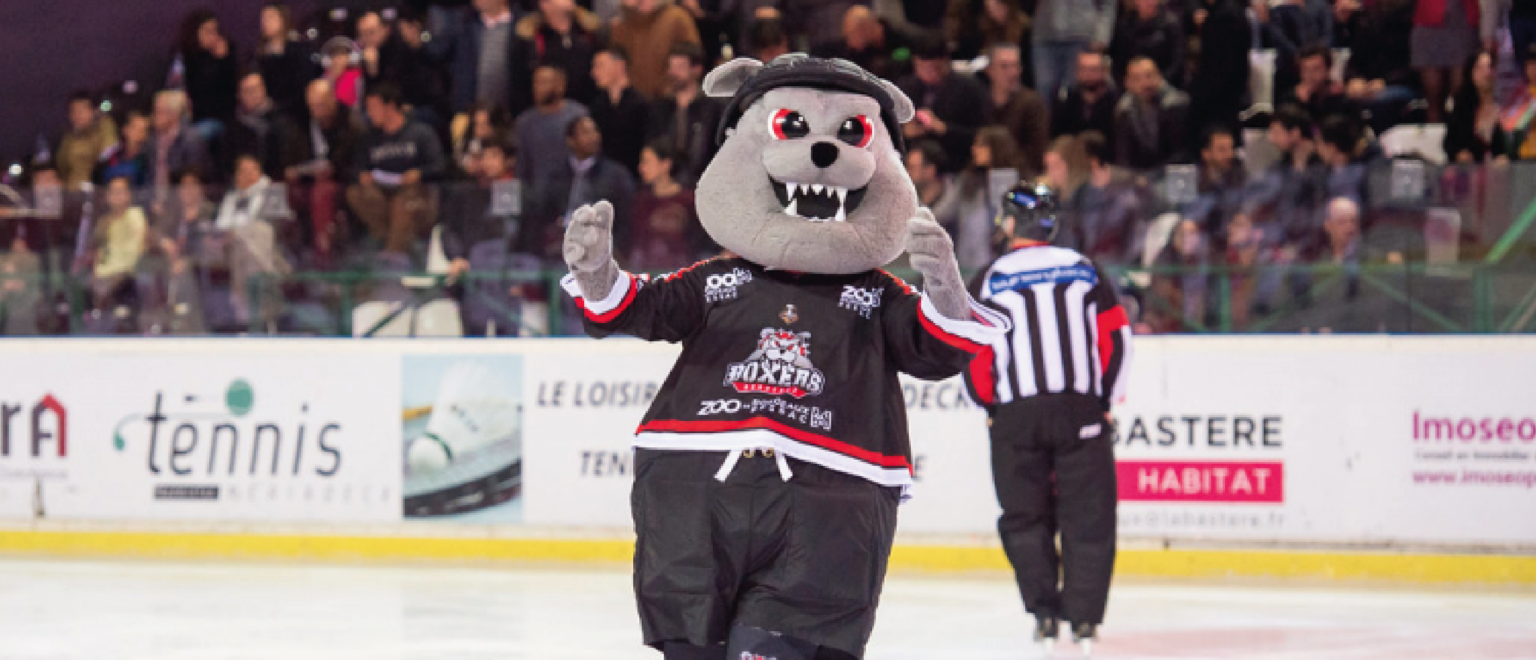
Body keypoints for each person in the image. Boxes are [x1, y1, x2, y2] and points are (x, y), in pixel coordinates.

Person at [963, 183, 1130, 656]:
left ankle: (1043, 613)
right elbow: (1116, 337)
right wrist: (1102, 401)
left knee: (1023, 516)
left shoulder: (991, 275)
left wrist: (991, 407)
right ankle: (1083, 620)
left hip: (1016, 414)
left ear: (1011, 224)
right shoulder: (1083, 269)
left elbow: (974, 352)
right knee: (1089, 517)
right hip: (1080, 410)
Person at [348, 83, 447, 257]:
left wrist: (419, 174)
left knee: (403, 203)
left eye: (374, 107)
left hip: (415, 195)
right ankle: (386, 234)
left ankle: (392, 255)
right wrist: (363, 175)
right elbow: (357, 167)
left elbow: (439, 165)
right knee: (355, 193)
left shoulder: (420, 133)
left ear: (390, 106)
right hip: (382, 193)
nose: (370, 113)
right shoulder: (370, 139)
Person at [525, 116, 635, 259]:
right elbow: (540, 215)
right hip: (560, 246)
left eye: (595, 131)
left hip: (599, 247)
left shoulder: (616, 176)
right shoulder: (555, 176)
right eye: (585, 132)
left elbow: (625, 219)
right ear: (570, 140)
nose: (593, 137)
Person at [284, 79, 367, 264]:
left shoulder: (351, 123)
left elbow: (357, 162)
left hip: (346, 183)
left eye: (320, 105)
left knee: (323, 192)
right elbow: (293, 157)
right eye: (312, 106)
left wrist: (332, 170)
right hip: (310, 181)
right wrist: (297, 170)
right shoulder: (303, 124)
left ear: (332, 100)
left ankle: (323, 254)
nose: (316, 111)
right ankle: (292, 254)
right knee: (289, 190)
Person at [898, 37, 990, 174]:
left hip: (956, 165)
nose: (930, 73)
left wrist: (943, 129)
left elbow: (983, 135)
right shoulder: (904, 90)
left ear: (946, 62)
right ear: (915, 63)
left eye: (936, 68)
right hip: (911, 165)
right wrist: (904, 133)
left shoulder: (970, 90)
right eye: (924, 67)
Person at [427, 0, 527, 117]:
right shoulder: (464, 25)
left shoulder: (522, 26)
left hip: (511, 113)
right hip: (470, 115)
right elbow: (438, 55)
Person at [646, 43, 724, 186]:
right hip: (666, 183)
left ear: (697, 70)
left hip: (704, 181)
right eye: (671, 67)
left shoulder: (712, 108)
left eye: (680, 67)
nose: (673, 73)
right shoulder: (660, 108)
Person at [953, 127, 1024, 272]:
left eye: (981, 145)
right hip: (971, 262)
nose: (974, 149)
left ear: (997, 148)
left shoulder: (1018, 183)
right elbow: (942, 212)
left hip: (1008, 262)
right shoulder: (967, 181)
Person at [629, 140, 705, 272]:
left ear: (665, 164)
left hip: (682, 274)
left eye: (646, 161)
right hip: (647, 274)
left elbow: (699, 243)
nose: (641, 168)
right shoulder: (641, 201)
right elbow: (636, 245)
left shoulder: (689, 201)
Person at [514, 66, 590, 189]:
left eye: (544, 82)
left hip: (572, 190)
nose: (537, 88)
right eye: (536, 82)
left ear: (560, 85)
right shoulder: (525, 122)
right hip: (538, 193)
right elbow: (522, 166)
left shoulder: (578, 115)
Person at [609, 0, 703, 99]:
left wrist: (672, 88)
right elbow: (617, 60)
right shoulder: (623, 23)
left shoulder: (677, 18)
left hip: (669, 98)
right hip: (635, 100)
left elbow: (693, 57)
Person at [515, 0, 603, 105]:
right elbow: (519, 84)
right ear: (544, 4)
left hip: (589, 107)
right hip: (547, 111)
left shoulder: (589, 33)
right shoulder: (531, 38)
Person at [1185, 0, 1252, 138]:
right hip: (1226, 90)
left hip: (1221, 95)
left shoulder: (1226, 17)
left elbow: (1223, 65)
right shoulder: (1222, 12)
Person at [1032, 0, 1118, 104]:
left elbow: (1108, 3)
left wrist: (1102, 36)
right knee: (1044, 89)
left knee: (1074, 91)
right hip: (1045, 36)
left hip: (1081, 36)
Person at [90, 176, 149, 327]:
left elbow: (136, 252)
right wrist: (96, 274)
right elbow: (98, 252)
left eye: (120, 191)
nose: (116, 195)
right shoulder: (103, 222)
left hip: (127, 277)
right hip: (103, 278)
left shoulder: (135, 216)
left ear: (128, 195)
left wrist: (113, 277)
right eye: (113, 192)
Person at [984, 43, 1049, 179]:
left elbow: (1036, 153)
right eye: (1004, 66)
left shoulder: (1032, 103)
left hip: (1021, 176)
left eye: (1016, 66)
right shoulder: (980, 101)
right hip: (984, 175)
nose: (1012, 72)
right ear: (989, 70)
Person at [1112, 57, 1191, 169]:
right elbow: (1123, 154)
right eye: (1137, 79)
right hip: (1139, 174)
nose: (1145, 83)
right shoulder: (1124, 110)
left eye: (1149, 76)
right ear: (1127, 83)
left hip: (1171, 170)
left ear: (1159, 76)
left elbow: (1181, 152)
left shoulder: (1176, 105)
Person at [1413, 0, 1481, 123]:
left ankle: (1460, 135)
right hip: (1429, 23)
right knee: (1433, 94)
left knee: (1461, 92)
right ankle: (1435, 137)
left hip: (1463, 23)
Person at [589, 48, 652, 176]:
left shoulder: (641, 105)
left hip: (634, 175)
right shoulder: (597, 106)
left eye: (599, 65)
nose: (594, 72)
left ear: (619, 66)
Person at [177, 11, 239, 140]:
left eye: (214, 31)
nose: (212, 36)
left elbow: (224, 90)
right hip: (190, 115)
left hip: (218, 117)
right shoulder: (188, 56)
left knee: (192, 138)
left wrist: (221, 61)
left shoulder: (226, 56)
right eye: (207, 31)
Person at [253, 2, 317, 119]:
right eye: (263, 18)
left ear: (283, 19)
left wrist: (277, 106)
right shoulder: (261, 53)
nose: (265, 22)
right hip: (267, 110)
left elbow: (304, 85)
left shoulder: (298, 49)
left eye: (270, 17)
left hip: (294, 111)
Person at [815, 5, 911, 82]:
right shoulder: (848, 50)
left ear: (867, 30)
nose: (849, 41)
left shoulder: (901, 40)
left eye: (852, 34)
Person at [225, 72, 294, 179]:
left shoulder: (281, 120)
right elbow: (227, 163)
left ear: (264, 89)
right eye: (248, 91)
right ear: (239, 95)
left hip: (276, 182)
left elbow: (289, 157)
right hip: (243, 185)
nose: (253, 94)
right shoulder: (233, 127)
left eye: (256, 89)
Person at [1446, 50, 1509, 163]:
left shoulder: (1504, 104)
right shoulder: (1460, 105)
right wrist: (1460, 155)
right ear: (1470, 73)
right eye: (1480, 68)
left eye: (1489, 67)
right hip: (1467, 170)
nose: (1486, 73)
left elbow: (1503, 146)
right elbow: (1451, 143)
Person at [1051, 51, 1120, 151]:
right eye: (1083, 69)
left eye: (1093, 70)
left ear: (1104, 72)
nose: (1088, 74)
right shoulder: (1065, 104)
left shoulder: (1115, 104)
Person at [146, 90, 214, 193]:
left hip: (181, 199)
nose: (154, 116)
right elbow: (149, 175)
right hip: (154, 199)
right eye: (154, 111)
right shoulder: (152, 140)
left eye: (159, 111)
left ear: (175, 114)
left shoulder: (191, 139)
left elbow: (194, 177)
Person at [1109, 0, 1185, 86]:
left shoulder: (1171, 24)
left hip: (1163, 83)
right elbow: (1118, 59)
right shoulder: (1125, 24)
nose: (1148, 2)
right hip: (1131, 84)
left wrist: (1159, 81)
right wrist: (1127, 82)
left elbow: (1177, 60)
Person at [57, 91, 119, 190]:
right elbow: (62, 167)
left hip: (98, 190)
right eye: (74, 111)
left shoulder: (104, 127)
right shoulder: (68, 139)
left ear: (93, 111)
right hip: (72, 192)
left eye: (82, 110)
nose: (78, 115)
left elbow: (108, 153)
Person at [1276, 46, 1349, 127]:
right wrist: (1304, 102)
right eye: (1305, 70)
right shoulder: (1288, 100)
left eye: (1316, 69)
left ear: (1328, 69)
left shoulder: (1341, 98)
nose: (1310, 75)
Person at [906, 140, 962, 231]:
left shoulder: (960, 203)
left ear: (931, 170)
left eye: (912, 167)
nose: (907, 172)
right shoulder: (906, 201)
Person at [98, 111, 152, 188]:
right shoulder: (111, 155)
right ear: (125, 130)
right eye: (135, 128)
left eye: (143, 130)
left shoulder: (148, 159)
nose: (139, 134)